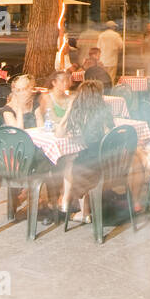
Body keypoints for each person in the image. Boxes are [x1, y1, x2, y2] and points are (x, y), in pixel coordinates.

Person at [53, 81, 116, 222]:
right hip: (111, 164)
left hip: (92, 166)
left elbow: (59, 134)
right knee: (74, 161)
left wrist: (69, 110)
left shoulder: (79, 114)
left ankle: (81, 210)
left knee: (72, 163)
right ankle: (69, 201)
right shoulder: (104, 112)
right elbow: (110, 132)